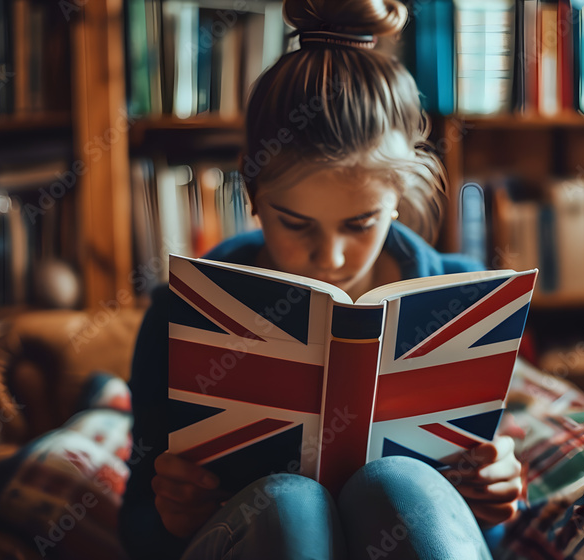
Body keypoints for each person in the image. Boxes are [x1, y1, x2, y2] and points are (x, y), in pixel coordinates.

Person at [120, 1, 524, 557]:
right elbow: (137, 529)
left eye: (360, 223)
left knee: (401, 484)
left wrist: (494, 498)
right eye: (295, 222)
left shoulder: (464, 304)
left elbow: (487, 534)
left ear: (399, 200)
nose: (329, 257)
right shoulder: (180, 313)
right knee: (288, 505)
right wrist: (174, 514)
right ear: (252, 192)